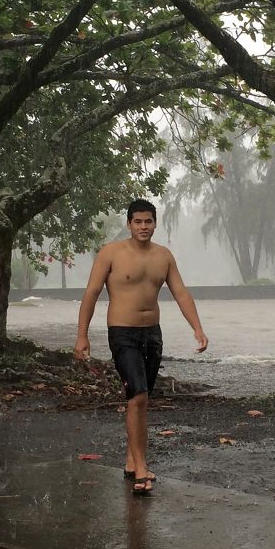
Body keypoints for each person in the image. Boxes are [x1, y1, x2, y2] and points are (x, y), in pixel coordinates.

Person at [75, 199, 208, 496]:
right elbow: (92, 293)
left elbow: (181, 293)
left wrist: (197, 328)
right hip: (122, 332)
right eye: (138, 222)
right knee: (138, 396)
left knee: (141, 398)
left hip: (153, 334)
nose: (143, 227)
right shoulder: (111, 253)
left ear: (155, 223)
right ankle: (143, 467)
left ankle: (130, 461)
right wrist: (82, 335)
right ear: (129, 224)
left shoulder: (164, 256)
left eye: (148, 222)